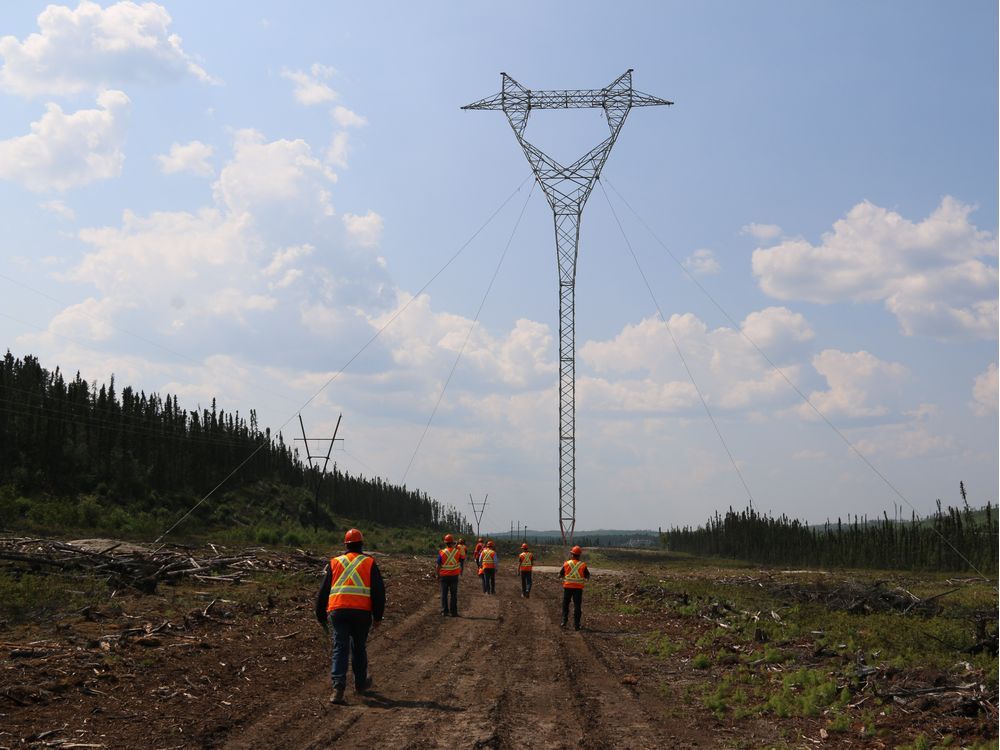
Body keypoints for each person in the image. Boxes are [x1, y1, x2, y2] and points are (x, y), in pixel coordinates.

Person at [315, 528, 385, 705]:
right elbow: (378, 592)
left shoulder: (335, 562)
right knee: (359, 647)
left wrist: (320, 613)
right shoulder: (369, 562)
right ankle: (360, 684)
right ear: (361, 544)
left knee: (340, 647)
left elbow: (323, 591)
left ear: (345, 544)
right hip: (362, 612)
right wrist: (378, 616)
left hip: (338, 611)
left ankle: (338, 688)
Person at [558, 545, 590, 630]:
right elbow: (587, 576)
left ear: (572, 554)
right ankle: (576, 624)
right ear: (579, 555)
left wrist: (563, 576)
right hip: (578, 589)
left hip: (567, 587)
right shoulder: (583, 565)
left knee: (565, 604)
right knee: (577, 606)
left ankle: (564, 621)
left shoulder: (566, 563)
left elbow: (560, 574)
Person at [437, 533, 462, 616]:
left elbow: (438, 565)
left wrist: (438, 575)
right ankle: (454, 612)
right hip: (454, 576)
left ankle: (444, 611)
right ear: (452, 542)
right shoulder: (457, 552)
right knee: (453, 594)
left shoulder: (441, 552)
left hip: (444, 577)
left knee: (444, 594)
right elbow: (461, 559)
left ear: (445, 543)